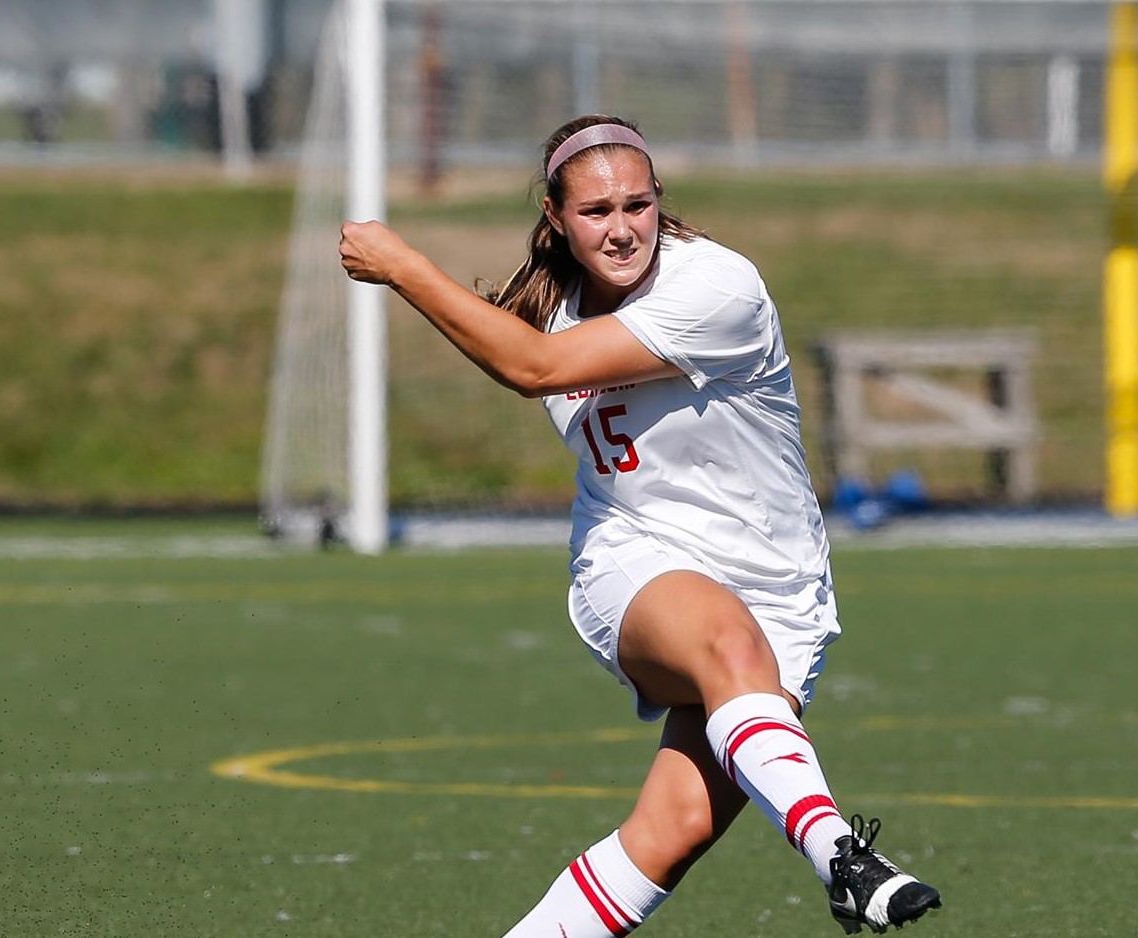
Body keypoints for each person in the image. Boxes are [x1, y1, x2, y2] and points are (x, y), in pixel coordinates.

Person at [338, 114, 942, 936]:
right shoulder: (549, 307)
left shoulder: (716, 288)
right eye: (596, 212)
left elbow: (532, 369)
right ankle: (841, 854)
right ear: (555, 216)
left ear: (661, 200)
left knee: (670, 834)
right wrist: (413, 271)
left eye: (638, 205)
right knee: (726, 644)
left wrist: (400, 265)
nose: (623, 230)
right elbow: (531, 357)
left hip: (780, 585)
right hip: (633, 557)